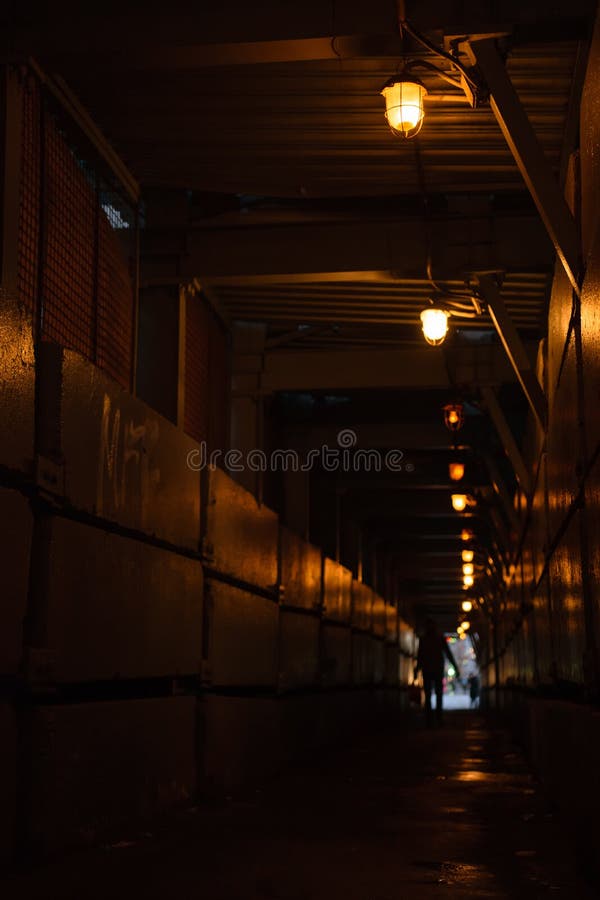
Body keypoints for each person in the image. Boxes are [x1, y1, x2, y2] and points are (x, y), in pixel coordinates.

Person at [415, 617, 460, 725]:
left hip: (428, 670)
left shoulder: (424, 639)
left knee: (428, 694)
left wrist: (417, 670)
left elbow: (420, 656)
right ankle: (438, 718)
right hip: (437, 669)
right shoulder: (439, 639)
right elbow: (448, 653)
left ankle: (429, 719)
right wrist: (455, 667)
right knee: (438, 694)